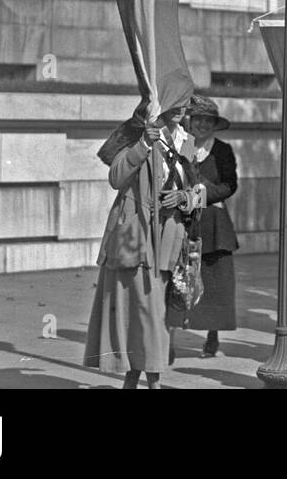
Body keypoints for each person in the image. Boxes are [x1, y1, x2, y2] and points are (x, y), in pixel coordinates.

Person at [84, 101, 202, 389]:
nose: (181, 108)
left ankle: (134, 379)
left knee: (153, 313)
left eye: (185, 102)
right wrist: (143, 146)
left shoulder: (187, 142)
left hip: (170, 238)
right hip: (134, 236)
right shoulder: (140, 133)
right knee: (144, 312)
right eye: (174, 101)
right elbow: (116, 178)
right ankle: (151, 382)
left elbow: (199, 191)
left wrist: (183, 198)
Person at [172, 93, 240, 359]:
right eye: (198, 119)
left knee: (215, 281)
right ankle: (169, 339)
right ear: (189, 121)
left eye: (208, 121)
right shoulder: (179, 146)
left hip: (213, 223)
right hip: (181, 220)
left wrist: (199, 196)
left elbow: (229, 185)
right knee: (177, 281)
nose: (203, 125)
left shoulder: (222, 150)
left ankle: (213, 337)